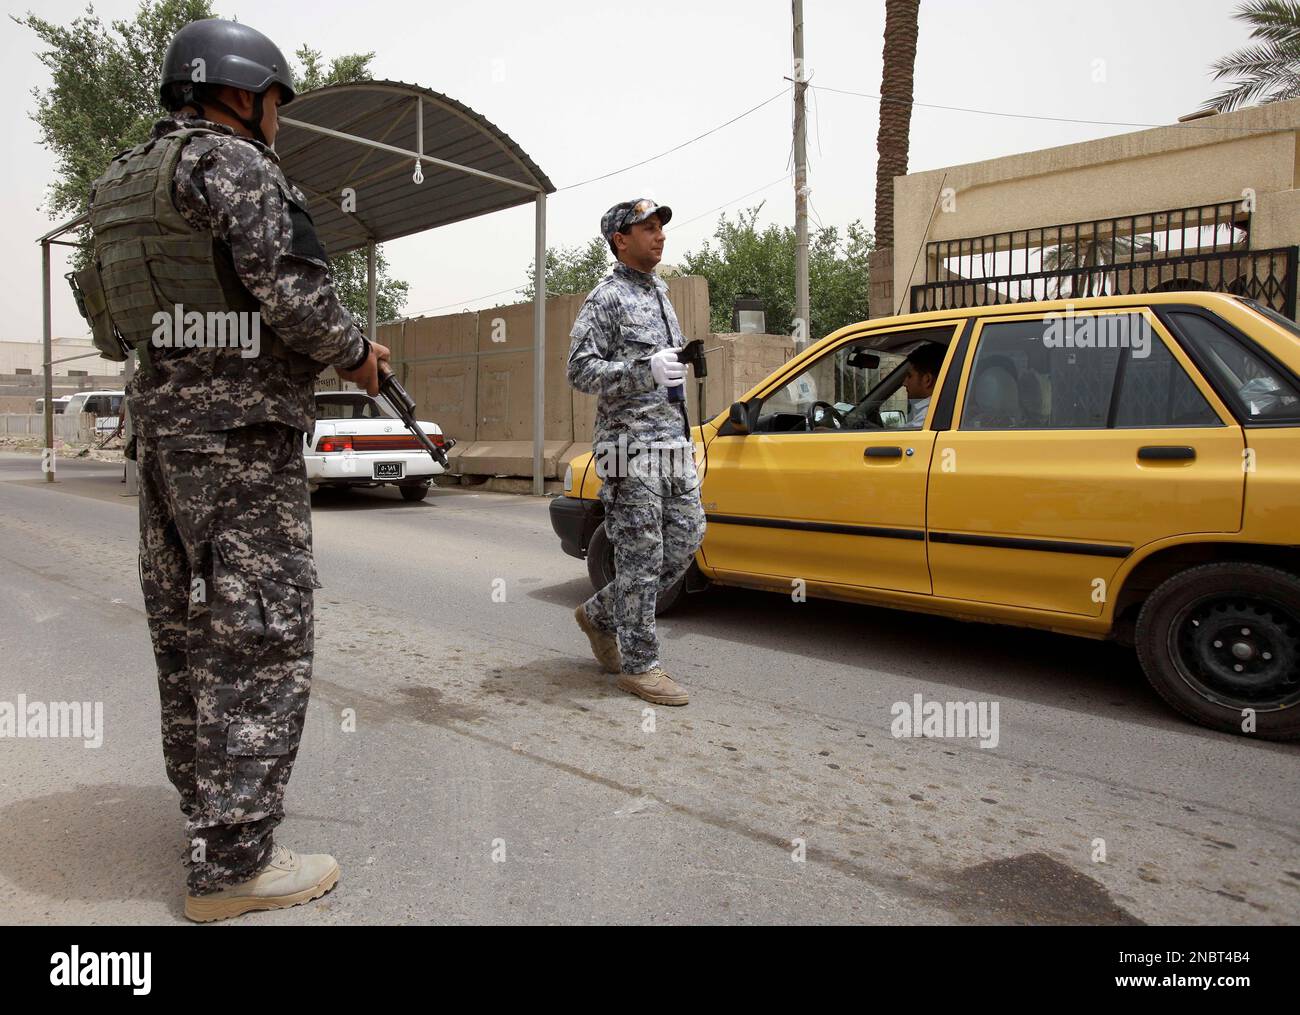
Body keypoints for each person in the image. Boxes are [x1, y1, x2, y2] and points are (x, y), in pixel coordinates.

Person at [85, 17, 389, 921]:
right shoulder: (240, 166)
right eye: (275, 104)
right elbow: (293, 295)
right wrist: (360, 355)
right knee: (258, 632)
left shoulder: (126, 182)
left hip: (165, 434)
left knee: (185, 628)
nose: (278, 123)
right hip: (241, 437)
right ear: (242, 93)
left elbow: (111, 320)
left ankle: (206, 808)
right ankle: (233, 861)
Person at [567, 199, 706, 706]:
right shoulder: (605, 298)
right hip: (627, 449)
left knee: (688, 537)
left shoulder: (662, 295)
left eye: (660, 227)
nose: (659, 236)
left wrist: (669, 368)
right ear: (620, 239)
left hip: (672, 444)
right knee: (641, 555)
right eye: (647, 228)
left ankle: (600, 614)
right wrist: (642, 370)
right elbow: (579, 370)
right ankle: (641, 665)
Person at [900, 342, 946, 427]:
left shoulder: (930, 415)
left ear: (927, 379)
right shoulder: (945, 409)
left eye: (910, 376)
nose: (904, 383)